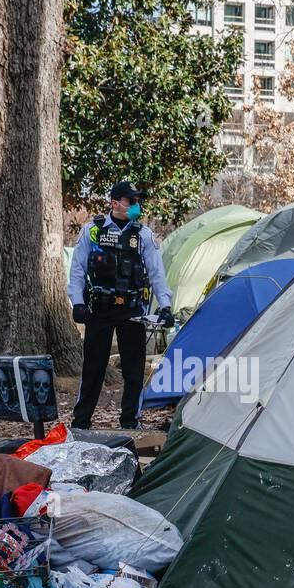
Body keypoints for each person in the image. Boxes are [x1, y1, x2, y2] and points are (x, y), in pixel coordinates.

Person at [68, 181, 173, 430]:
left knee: (133, 371)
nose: (137, 206)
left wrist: (166, 305)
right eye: (131, 201)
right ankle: (81, 422)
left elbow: (157, 273)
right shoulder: (92, 231)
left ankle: (129, 422)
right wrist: (78, 303)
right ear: (114, 203)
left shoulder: (143, 235)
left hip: (132, 312)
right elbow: (77, 271)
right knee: (93, 369)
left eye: (138, 201)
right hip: (99, 311)